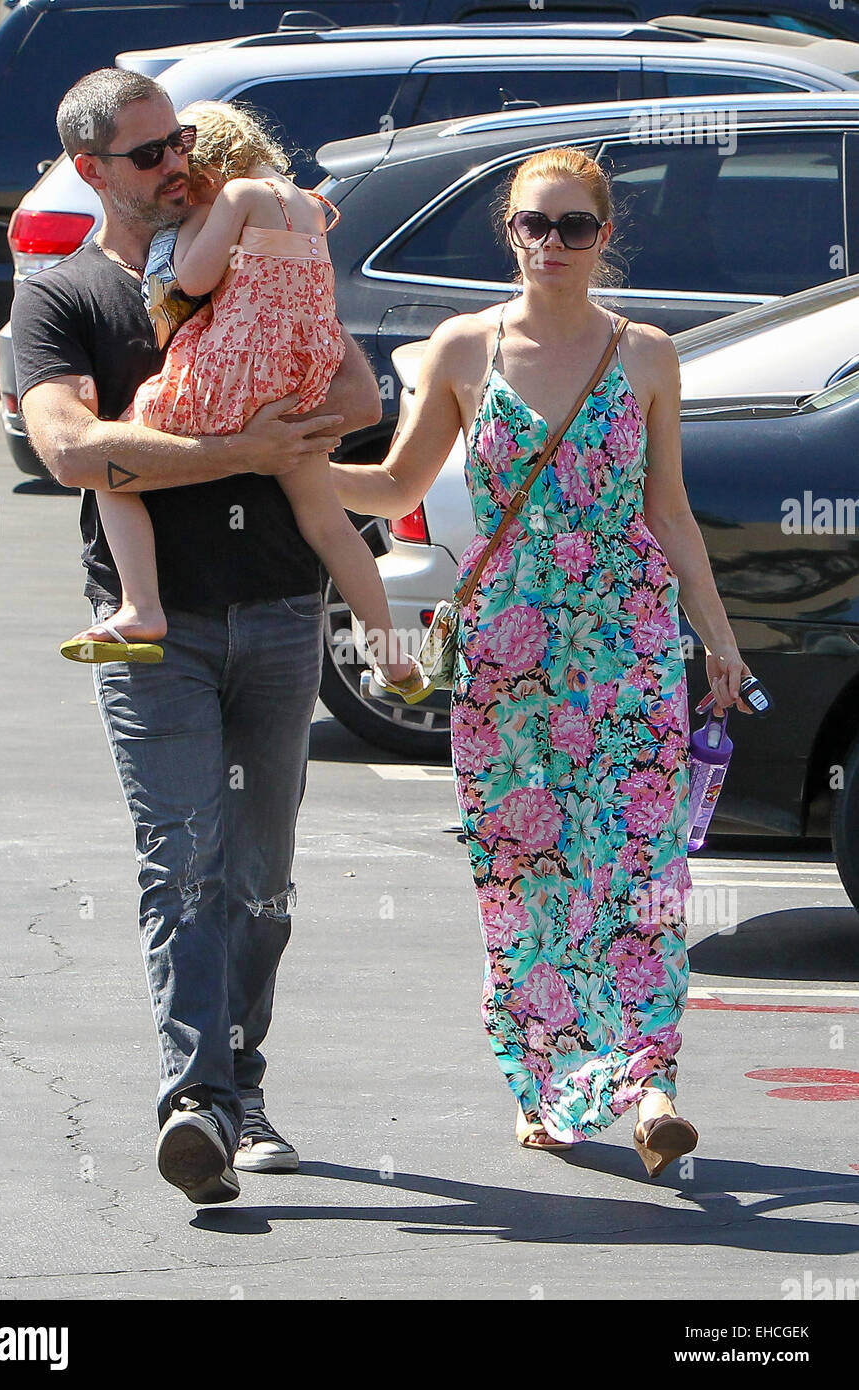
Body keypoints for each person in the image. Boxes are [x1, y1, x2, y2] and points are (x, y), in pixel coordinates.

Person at [330, 147, 755, 1179]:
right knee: (528, 874)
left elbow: (668, 508)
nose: (552, 244)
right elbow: (396, 487)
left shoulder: (647, 353)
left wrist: (719, 635)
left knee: (641, 869)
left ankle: (650, 1083)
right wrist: (286, 461)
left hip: (629, 645)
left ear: (605, 236)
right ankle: (550, 1081)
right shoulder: (464, 348)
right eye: (534, 224)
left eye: (575, 226)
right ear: (508, 232)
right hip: (511, 659)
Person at [12, 67, 383, 1204]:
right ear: (90, 171)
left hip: (275, 613)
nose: (174, 163)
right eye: (145, 154)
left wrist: (274, 416)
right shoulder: (63, 297)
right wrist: (239, 447)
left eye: (177, 141)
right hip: (150, 630)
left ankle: (242, 1076)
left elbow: (358, 394)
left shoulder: (248, 253)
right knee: (184, 863)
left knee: (261, 878)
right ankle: (201, 1102)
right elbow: (74, 452)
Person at [60, 100, 427, 700]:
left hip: (237, 369)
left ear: (211, 162)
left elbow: (197, 279)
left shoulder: (236, 199)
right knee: (330, 525)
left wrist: (185, 247)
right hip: (298, 374)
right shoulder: (312, 204)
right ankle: (392, 655)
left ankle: (140, 606)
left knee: (113, 467)